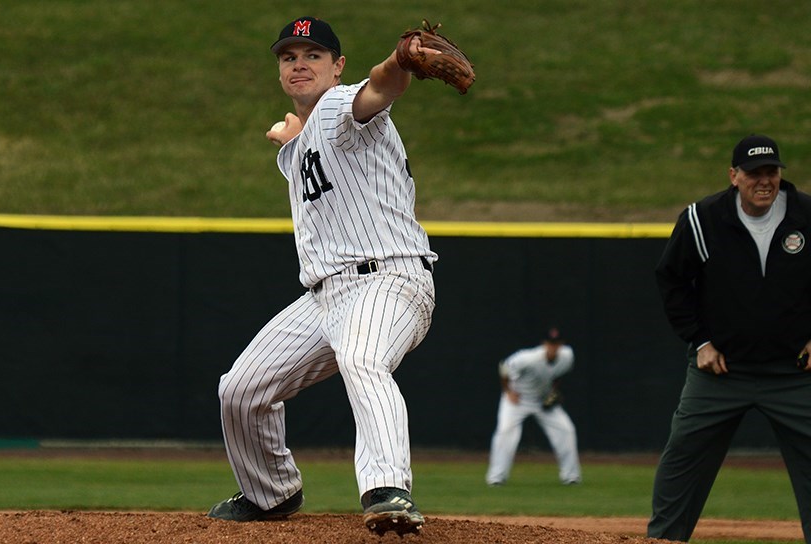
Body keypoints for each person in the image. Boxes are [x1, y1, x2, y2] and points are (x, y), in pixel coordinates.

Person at [207, 16, 442, 536]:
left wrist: (400, 62)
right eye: (289, 57)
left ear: (337, 68)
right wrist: (289, 135)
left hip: (388, 281)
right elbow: (304, 143)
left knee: (362, 358)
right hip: (325, 296)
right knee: (241, 389)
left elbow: (381, 87)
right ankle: (271, 494)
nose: (298, 64)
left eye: (312, 55)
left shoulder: (342, 105)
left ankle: (387, 489)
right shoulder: (303, 137)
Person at [648, 134, 811, 543]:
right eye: (754, 172)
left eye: (771, 172)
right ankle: (664, 540)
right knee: (682, 458)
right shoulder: (702, 219)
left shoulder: (808, 215)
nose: (764, 181)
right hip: (721, 372)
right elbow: (672, 280)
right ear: (733, 176)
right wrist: (699, 341)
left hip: (795, 373)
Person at [486, 327, 582, 486]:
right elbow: (504, 367)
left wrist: (554, 391)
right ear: (544, 343)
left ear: (562, 344)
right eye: (550, 343)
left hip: (542, 400)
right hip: (518, 400)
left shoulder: (567, 356)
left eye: (556, 343)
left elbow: (557, 375)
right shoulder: (528, 358)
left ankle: (571, 477)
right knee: (505, 432)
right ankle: (496, 478)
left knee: (566, 430)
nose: (553, 347)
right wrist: (508, 391)